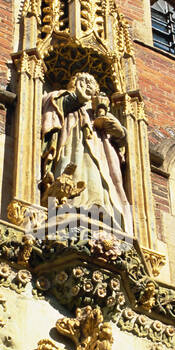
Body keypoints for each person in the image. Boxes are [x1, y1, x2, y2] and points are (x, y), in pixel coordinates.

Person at [40, 71, 133, 236]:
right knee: (73, 167)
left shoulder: (97, 110)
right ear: (74, 83)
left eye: (91, 85)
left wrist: (113, 126)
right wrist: (78, 97)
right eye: (84, 82)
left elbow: (121, 138)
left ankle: (100, 209)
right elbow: (51, 109)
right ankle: (68, 203)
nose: (88, 87)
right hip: (71, 142)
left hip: (99, 150)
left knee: (98, 178)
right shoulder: (60, 95)